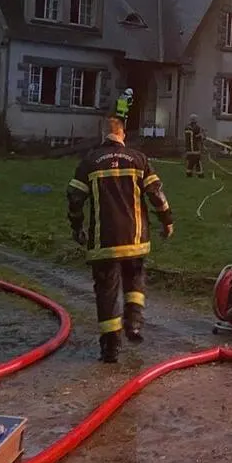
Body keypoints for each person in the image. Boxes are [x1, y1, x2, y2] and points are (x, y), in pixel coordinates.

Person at [66, 115, 174, 363]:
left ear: (103, 134)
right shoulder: (138, 159)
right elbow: (157, 194)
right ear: (123, 134)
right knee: (134, 280)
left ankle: (111, 347)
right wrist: (167, 221)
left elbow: (74, 198)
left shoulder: (90, 162)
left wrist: (76, 226)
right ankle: (134, 324)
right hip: (135, 239)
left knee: (106, 291)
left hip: (104, 242)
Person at [184, 114, 205, 178]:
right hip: (195, 149)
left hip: (188, 149)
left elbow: (191, 136)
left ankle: (188, 173)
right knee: (198, 162)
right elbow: (199, 137)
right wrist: (203, 135)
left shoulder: (186, 127)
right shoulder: (197, 128)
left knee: (190, 162)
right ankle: (200, 174)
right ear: (196, 120)